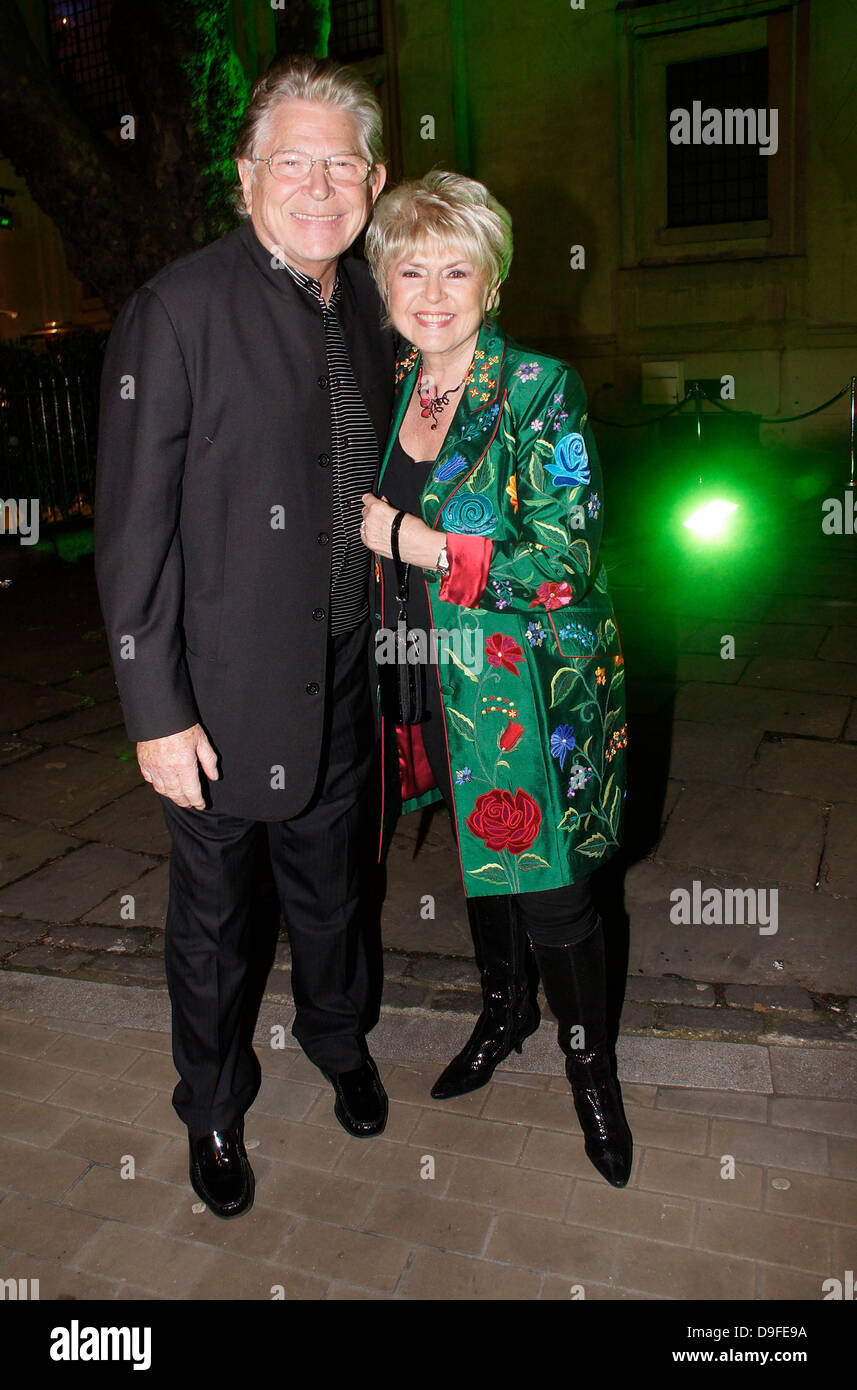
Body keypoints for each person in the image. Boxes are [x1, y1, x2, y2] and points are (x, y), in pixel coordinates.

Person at [94, 57, 394, 1221]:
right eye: (291, 162)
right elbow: (130, 537)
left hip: (342, 674)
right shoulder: (178, 310)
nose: (317, 186)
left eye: (340, 164)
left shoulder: (370, 303)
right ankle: (212, 1108)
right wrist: (156, 712)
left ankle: (337, 1040)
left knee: (333, 894)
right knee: (215, 926)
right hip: (213, 701)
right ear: (245, 177)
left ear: (373, 178)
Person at [361, 172, 633, 1187]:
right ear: (385, 280)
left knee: (554, 893)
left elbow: (564, 566)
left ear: (493, 279)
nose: (432, 290)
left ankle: (590, 1077)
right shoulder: (394, 387)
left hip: (525, 694)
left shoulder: (537, 390)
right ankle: (504, 1012)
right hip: (427, 678)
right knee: (478, 865)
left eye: (456, 268)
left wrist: (418, 542)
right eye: (410, 267)